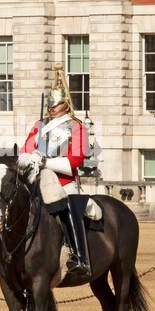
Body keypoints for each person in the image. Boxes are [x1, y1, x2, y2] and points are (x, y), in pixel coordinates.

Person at [19, 74, 91, 277]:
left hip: (63, 182)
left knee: (69, 209)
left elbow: (74, 161)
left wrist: (45, 161)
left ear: (66, 105)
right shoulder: (39, 126)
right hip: (37, 180)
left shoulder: (76, 127)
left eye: (55, 104)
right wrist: (30, 158)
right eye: (49, 105)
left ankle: (78, 256)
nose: (51, 109)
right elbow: (24, 150)